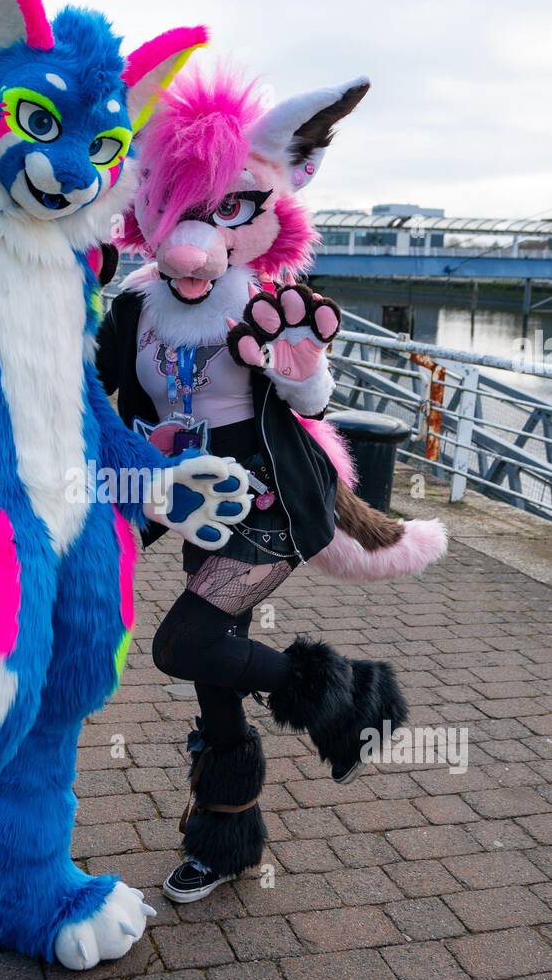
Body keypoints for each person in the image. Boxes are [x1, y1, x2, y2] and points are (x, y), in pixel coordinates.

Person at [96, 68, 446, 903]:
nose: (193, 239)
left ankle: (344, 696)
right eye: (175, 209)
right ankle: (226, 840)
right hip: (180, 490)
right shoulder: (137, 307)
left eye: (225, 209)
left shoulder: (270, 298)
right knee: (214, 679)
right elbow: (100, 389)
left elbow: (312, 400)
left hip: (265, 500)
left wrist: (300, 365)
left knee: (184, 644)